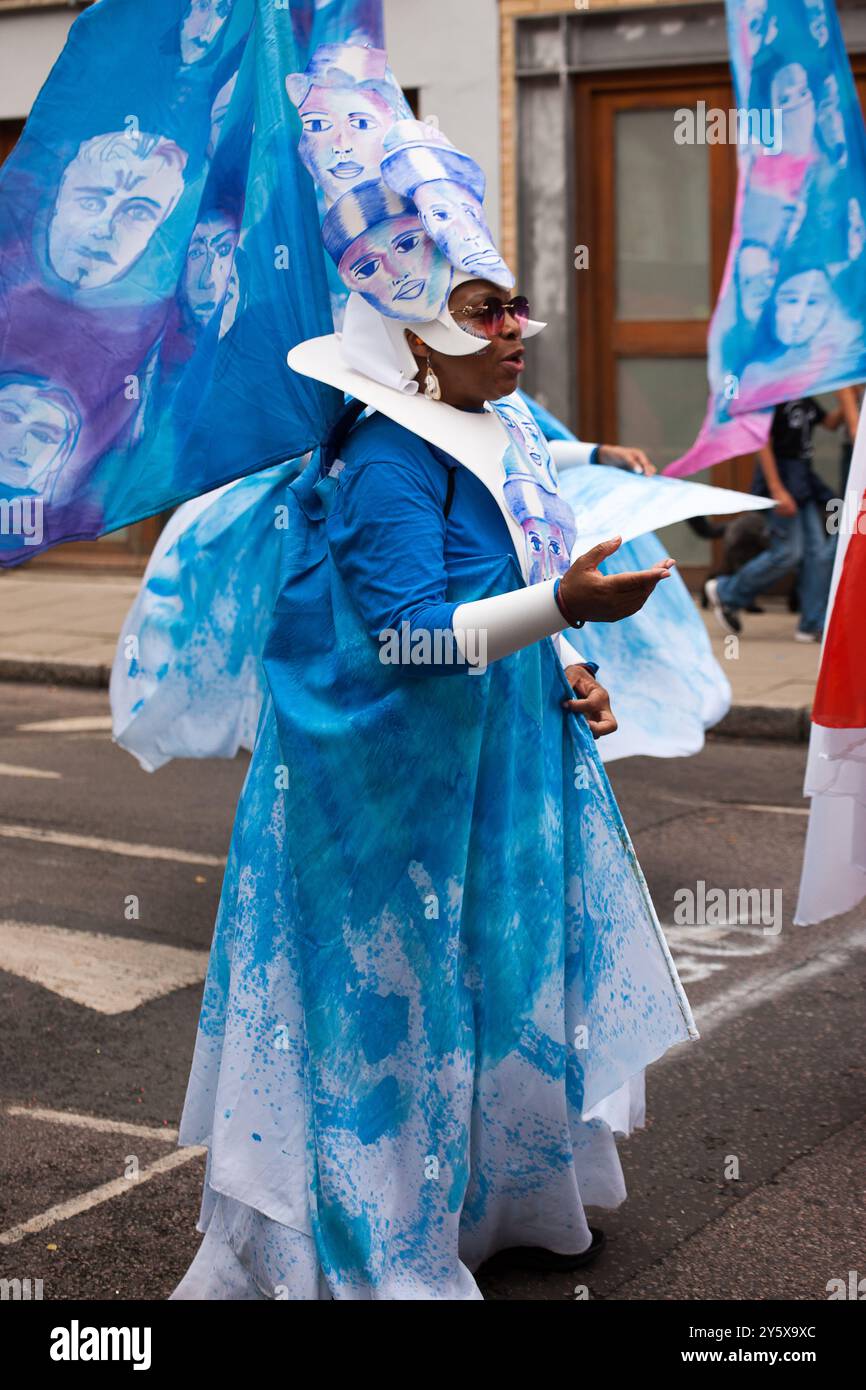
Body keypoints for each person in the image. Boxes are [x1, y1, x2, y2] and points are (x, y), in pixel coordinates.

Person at [169, 43, 697, 1301]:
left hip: (489, 769)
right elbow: (411, 635)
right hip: (392, 803)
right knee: (386, 1023)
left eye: (512, 302)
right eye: (482, 309)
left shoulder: (493, 430)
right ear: (407, 328)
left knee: (493, 985)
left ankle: (486, 1209)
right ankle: (365, 1250)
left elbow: (503, 581)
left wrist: (562, 658)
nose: (517, 328)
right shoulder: (387, 465)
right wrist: (558, 604)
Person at [705, 395, 841, 639]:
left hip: (803, 480)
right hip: (781, 479)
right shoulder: (776, 391)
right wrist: (776, 488)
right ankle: (727, 592)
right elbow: (762, 441)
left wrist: (849, 394)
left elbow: (830, 422)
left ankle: (811, 623)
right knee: (788, 552)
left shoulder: (804, 392)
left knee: (817, 553)